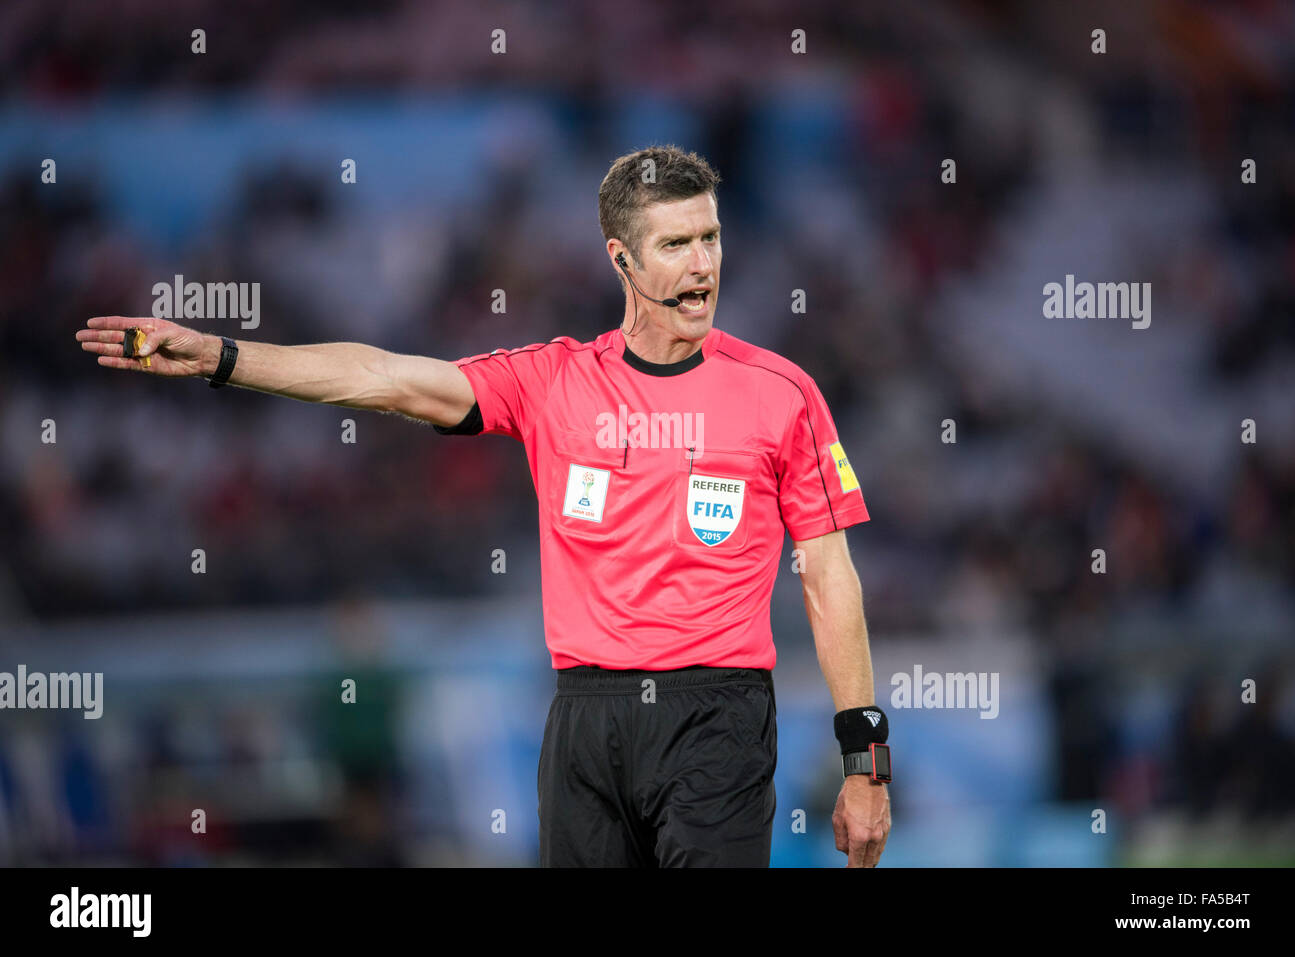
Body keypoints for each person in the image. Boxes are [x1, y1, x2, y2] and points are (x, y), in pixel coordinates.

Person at [76, 144, 891, 868]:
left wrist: (864, 762)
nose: (701, 264)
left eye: (709, 238)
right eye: (674, 244)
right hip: (585, 719)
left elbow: (829, 577)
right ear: (623, 260)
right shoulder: (554, 380)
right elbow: (384, 378)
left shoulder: (782, 394)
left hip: (719, 718)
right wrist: (223, 355)